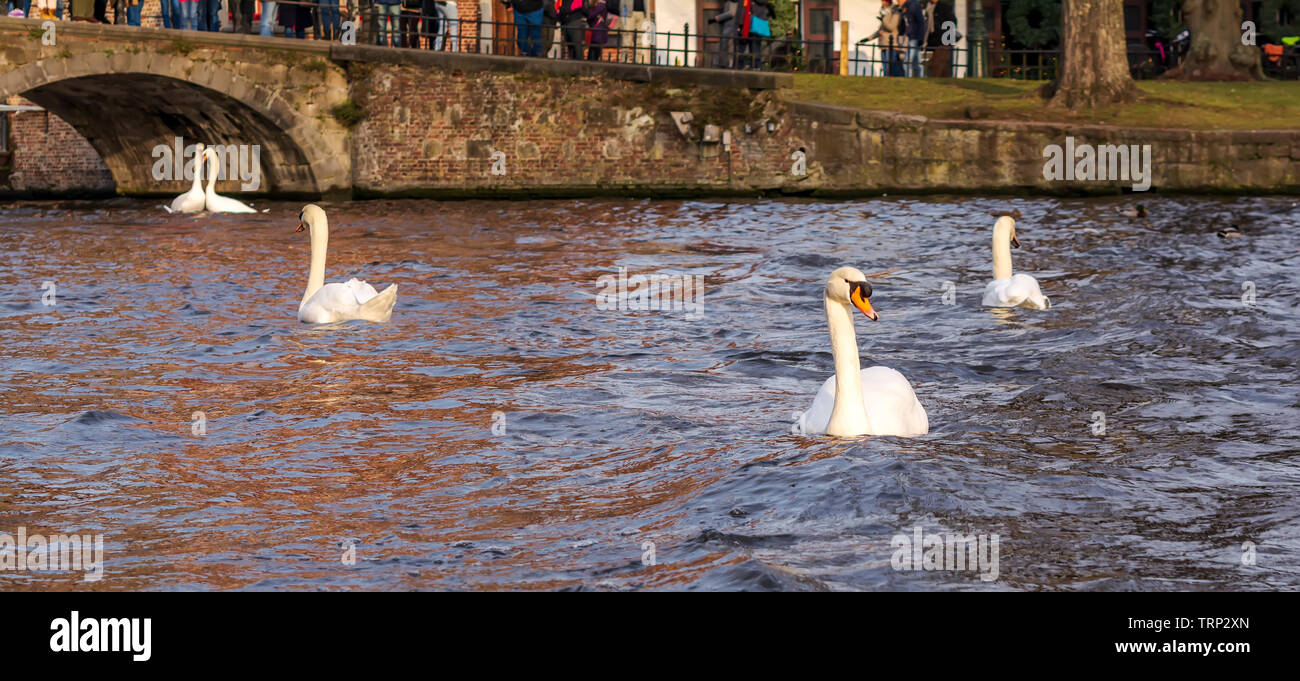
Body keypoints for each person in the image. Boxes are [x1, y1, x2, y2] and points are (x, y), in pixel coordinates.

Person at [860, 0, 903, 76]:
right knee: (885, 66)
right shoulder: (885, 14)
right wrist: (867, 39)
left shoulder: (895, 13)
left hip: (891, 44)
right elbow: (880, 31)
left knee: (890, 65)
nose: (883, 3)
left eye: (884, 1)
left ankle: (892, 80)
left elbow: (891, 27)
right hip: (883, 44)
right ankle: (886, 80)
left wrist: (883, 19)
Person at [925, 0, 957, 77]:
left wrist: (947, 41)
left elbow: (952, 22)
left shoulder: (944, 7)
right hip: (933, 39)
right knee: (937, 63)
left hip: (942, 40)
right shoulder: (928, 7)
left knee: (940, 63)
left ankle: (938, 78)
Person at [707, 0, 739, 69]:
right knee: (723, 45)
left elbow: (731, 13)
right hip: (727, 26)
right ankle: (722, 63)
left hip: (730, 27)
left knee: (726, 45)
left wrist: (715, 19)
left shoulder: (733, 2)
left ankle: (727, 64)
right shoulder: (728, 2)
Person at [901, 0, 926, 77]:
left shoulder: (914, 6)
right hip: (913, 37)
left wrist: (920, 38)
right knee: (917, 63)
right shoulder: (909, 6)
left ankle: (908, 80)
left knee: (907, 63)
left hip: (914, 38)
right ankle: (920, 79)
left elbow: (921, 22)